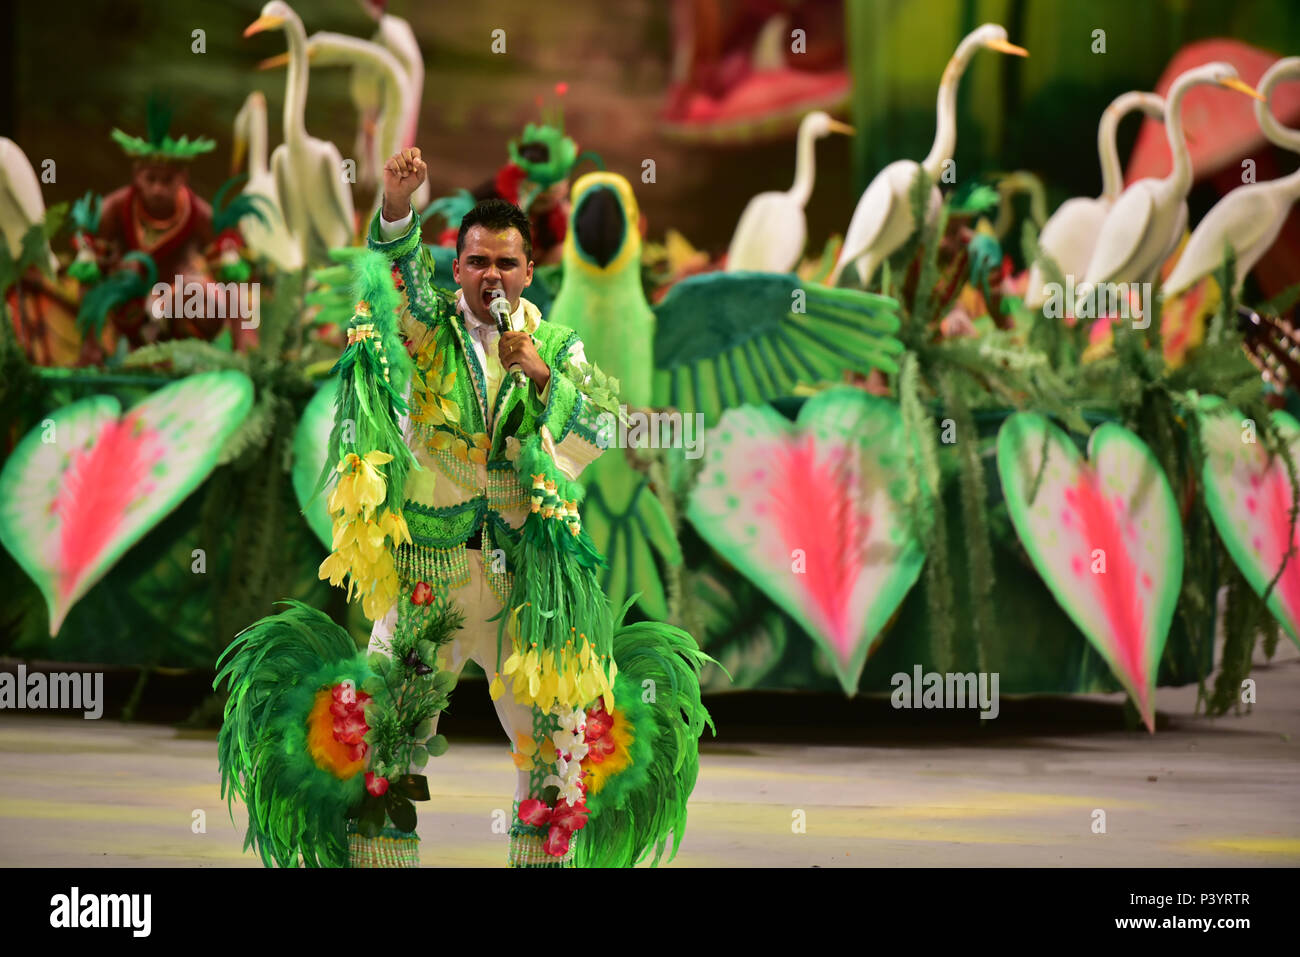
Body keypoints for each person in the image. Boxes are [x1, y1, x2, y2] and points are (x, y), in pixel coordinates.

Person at [364, 147, 610, 866]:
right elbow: (393, 285)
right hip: (428, 573)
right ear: (457, 267)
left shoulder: (559, 347)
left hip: (521, 584)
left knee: (553, 751)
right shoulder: (427, 331)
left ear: (530, 270)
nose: (491, 276)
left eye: (505, 263)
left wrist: (541, 380)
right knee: (387, 741)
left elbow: (600, 431)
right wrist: (396, 208)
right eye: (476, 262)